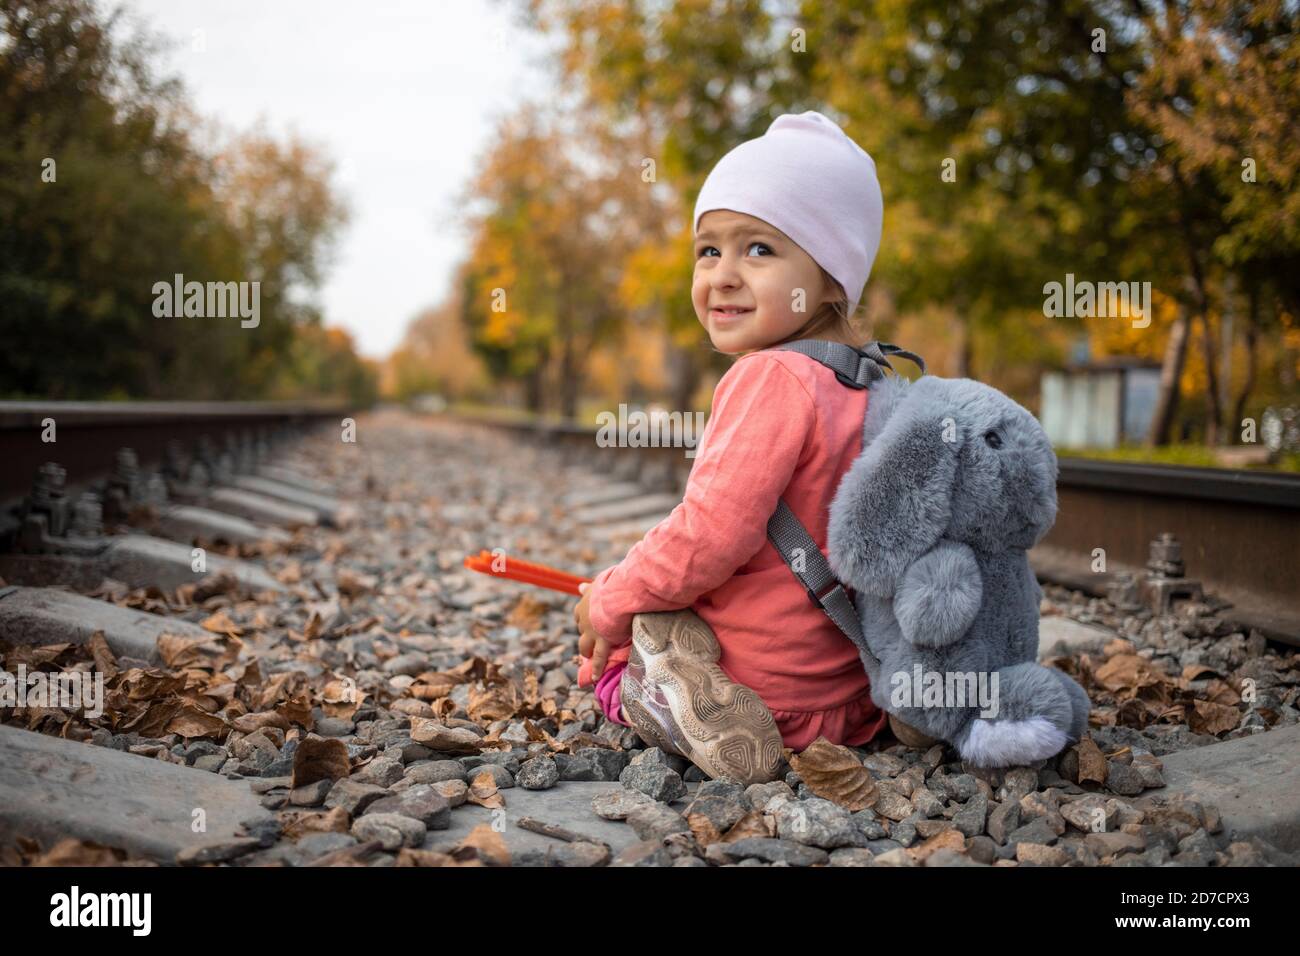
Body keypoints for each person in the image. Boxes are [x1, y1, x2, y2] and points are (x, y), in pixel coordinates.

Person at [573, 111, 930, 786]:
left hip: (768, 691)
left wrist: (609, 600)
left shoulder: (768, 377)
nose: (724, 275)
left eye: (758, 250)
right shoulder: (875, 381)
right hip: (852, 696)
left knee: (612, 665)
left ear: (832, 278)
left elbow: (710, 535)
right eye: (709, 250)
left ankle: (683, 700)